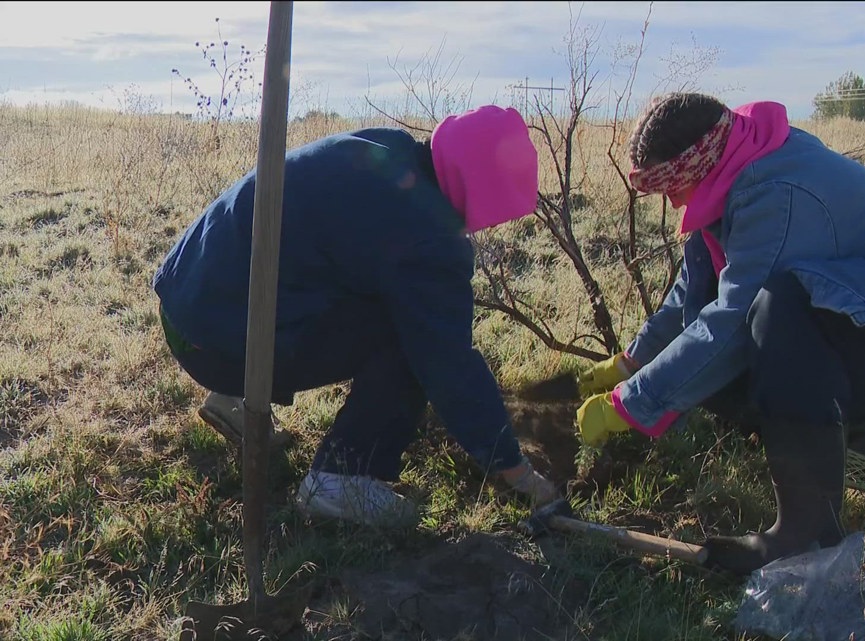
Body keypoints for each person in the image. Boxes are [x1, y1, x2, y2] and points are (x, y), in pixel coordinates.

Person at [574, 92, 865, 575]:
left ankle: (806, 534)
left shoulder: (772, 194)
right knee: (746, 340)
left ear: (702, 162)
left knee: (776, 314)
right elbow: (693, 286)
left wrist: (630, 402)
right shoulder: (734, 166)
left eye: (673, 185)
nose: (670, 200)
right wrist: (631, 362)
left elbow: (728, 326)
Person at [153, 105, 561, 527]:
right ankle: (343, 477)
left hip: (183, 305)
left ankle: (234, 397)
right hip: (219, 345)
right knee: (411, 336)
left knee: (349, 281)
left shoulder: (386, 148)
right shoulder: (428, 236)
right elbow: (448, 363)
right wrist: (515, 470)